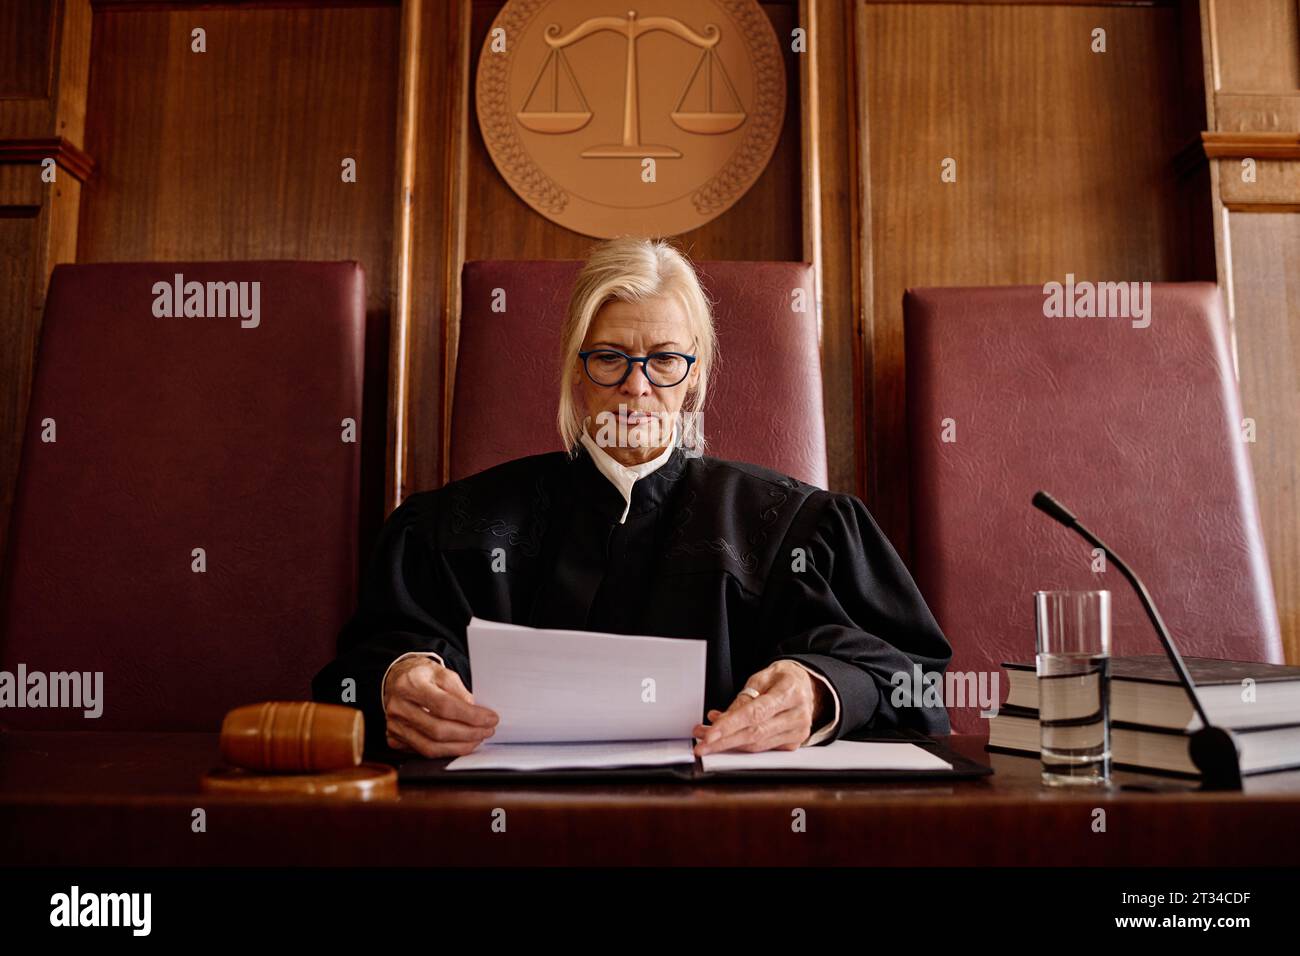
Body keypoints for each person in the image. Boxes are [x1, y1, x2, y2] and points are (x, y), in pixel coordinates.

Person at [313, 237, 952, 757]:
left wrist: (819, 693)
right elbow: (362, 665)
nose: (636, 387)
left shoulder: (795, 529)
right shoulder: (455, 528)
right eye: (610, 358)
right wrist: (401, 678)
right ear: (575, 371)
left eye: (665, 360)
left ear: (695, 373)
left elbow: (915, 681)